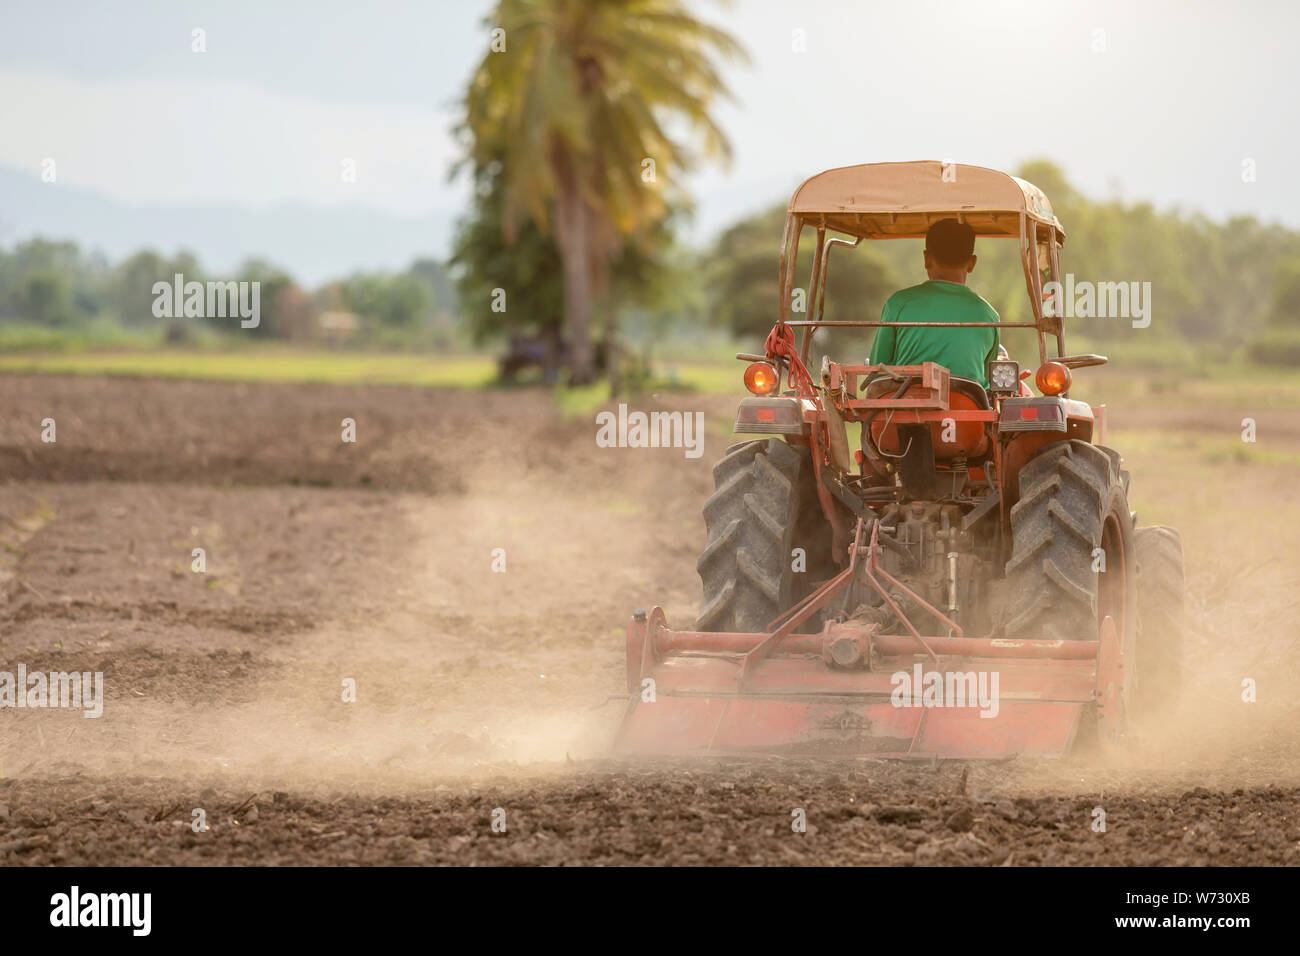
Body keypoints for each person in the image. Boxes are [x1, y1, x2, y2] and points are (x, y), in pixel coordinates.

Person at [868, 218, 1000, 388]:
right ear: (972, 263)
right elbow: (987, 377)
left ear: (926, 258)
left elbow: (878, 368)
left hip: (904, 406)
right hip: (969, 406)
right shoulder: (989, 314)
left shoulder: (898, 303)